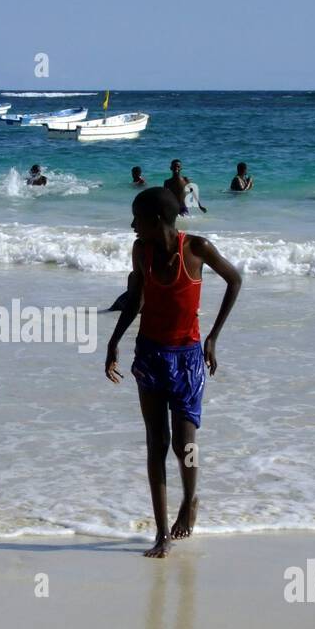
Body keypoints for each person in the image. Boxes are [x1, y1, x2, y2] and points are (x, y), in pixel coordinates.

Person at [104, 188, 241, 558]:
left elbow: (235, 280)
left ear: (158, 220)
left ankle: (190, 499)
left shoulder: (197, 249)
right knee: (156, 444)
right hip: (149, 355)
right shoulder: (141, 252)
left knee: (186, 446)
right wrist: (113, 342)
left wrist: (212, 337)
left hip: (187, 358)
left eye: (137, 218)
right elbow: (135, 298)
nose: (132, 225)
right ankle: (161, 533)